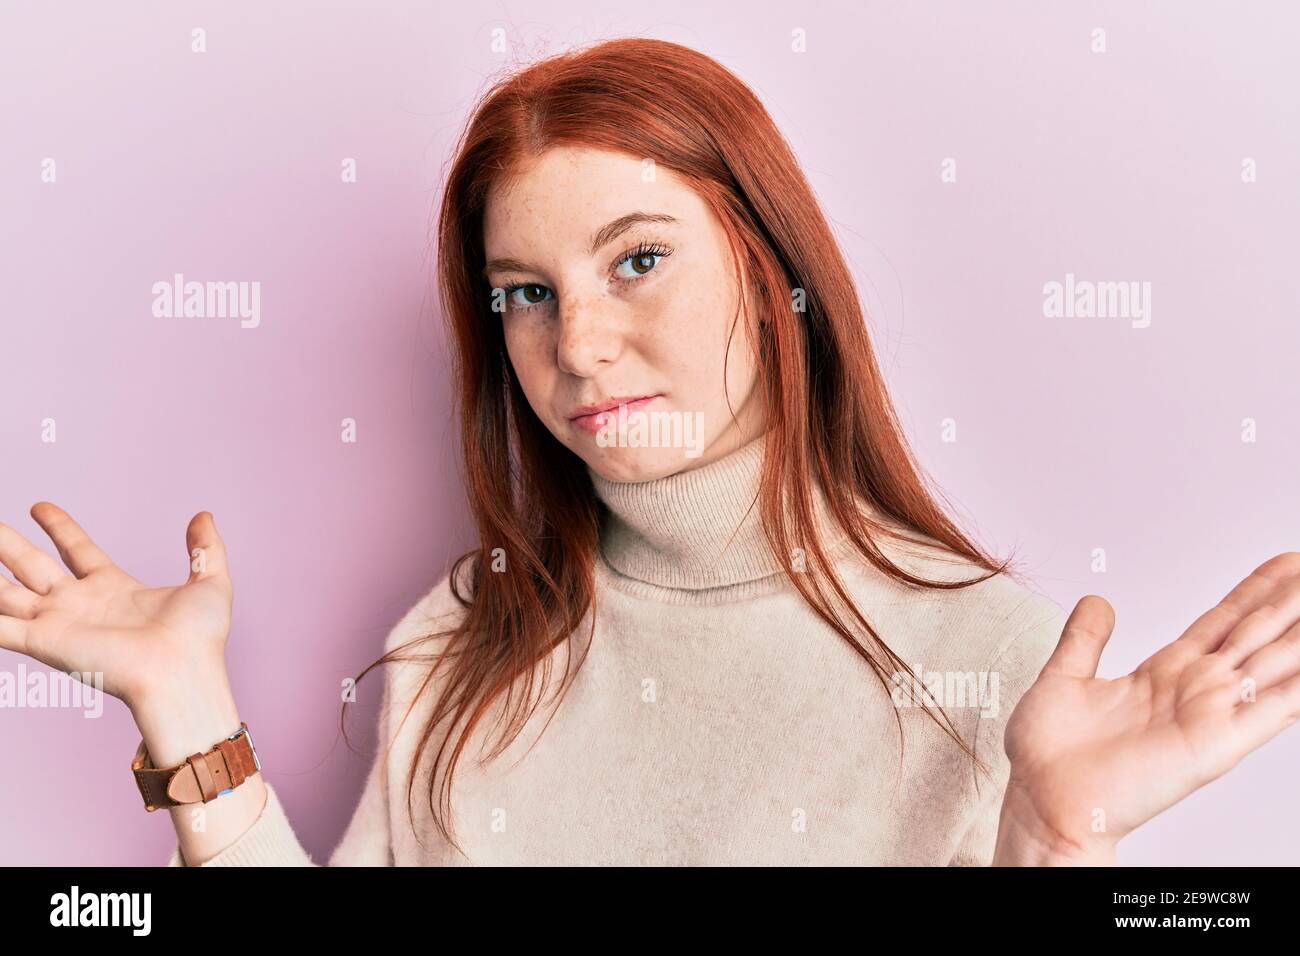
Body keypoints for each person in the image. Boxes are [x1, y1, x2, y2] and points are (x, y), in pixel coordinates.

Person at [2, 37, 1298, 867]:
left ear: (768, 268)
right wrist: (187, 709)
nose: (580, 344)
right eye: (525, 292)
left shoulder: (999, 666)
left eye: (638, 260)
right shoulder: (466, 631)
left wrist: (1052, 845)